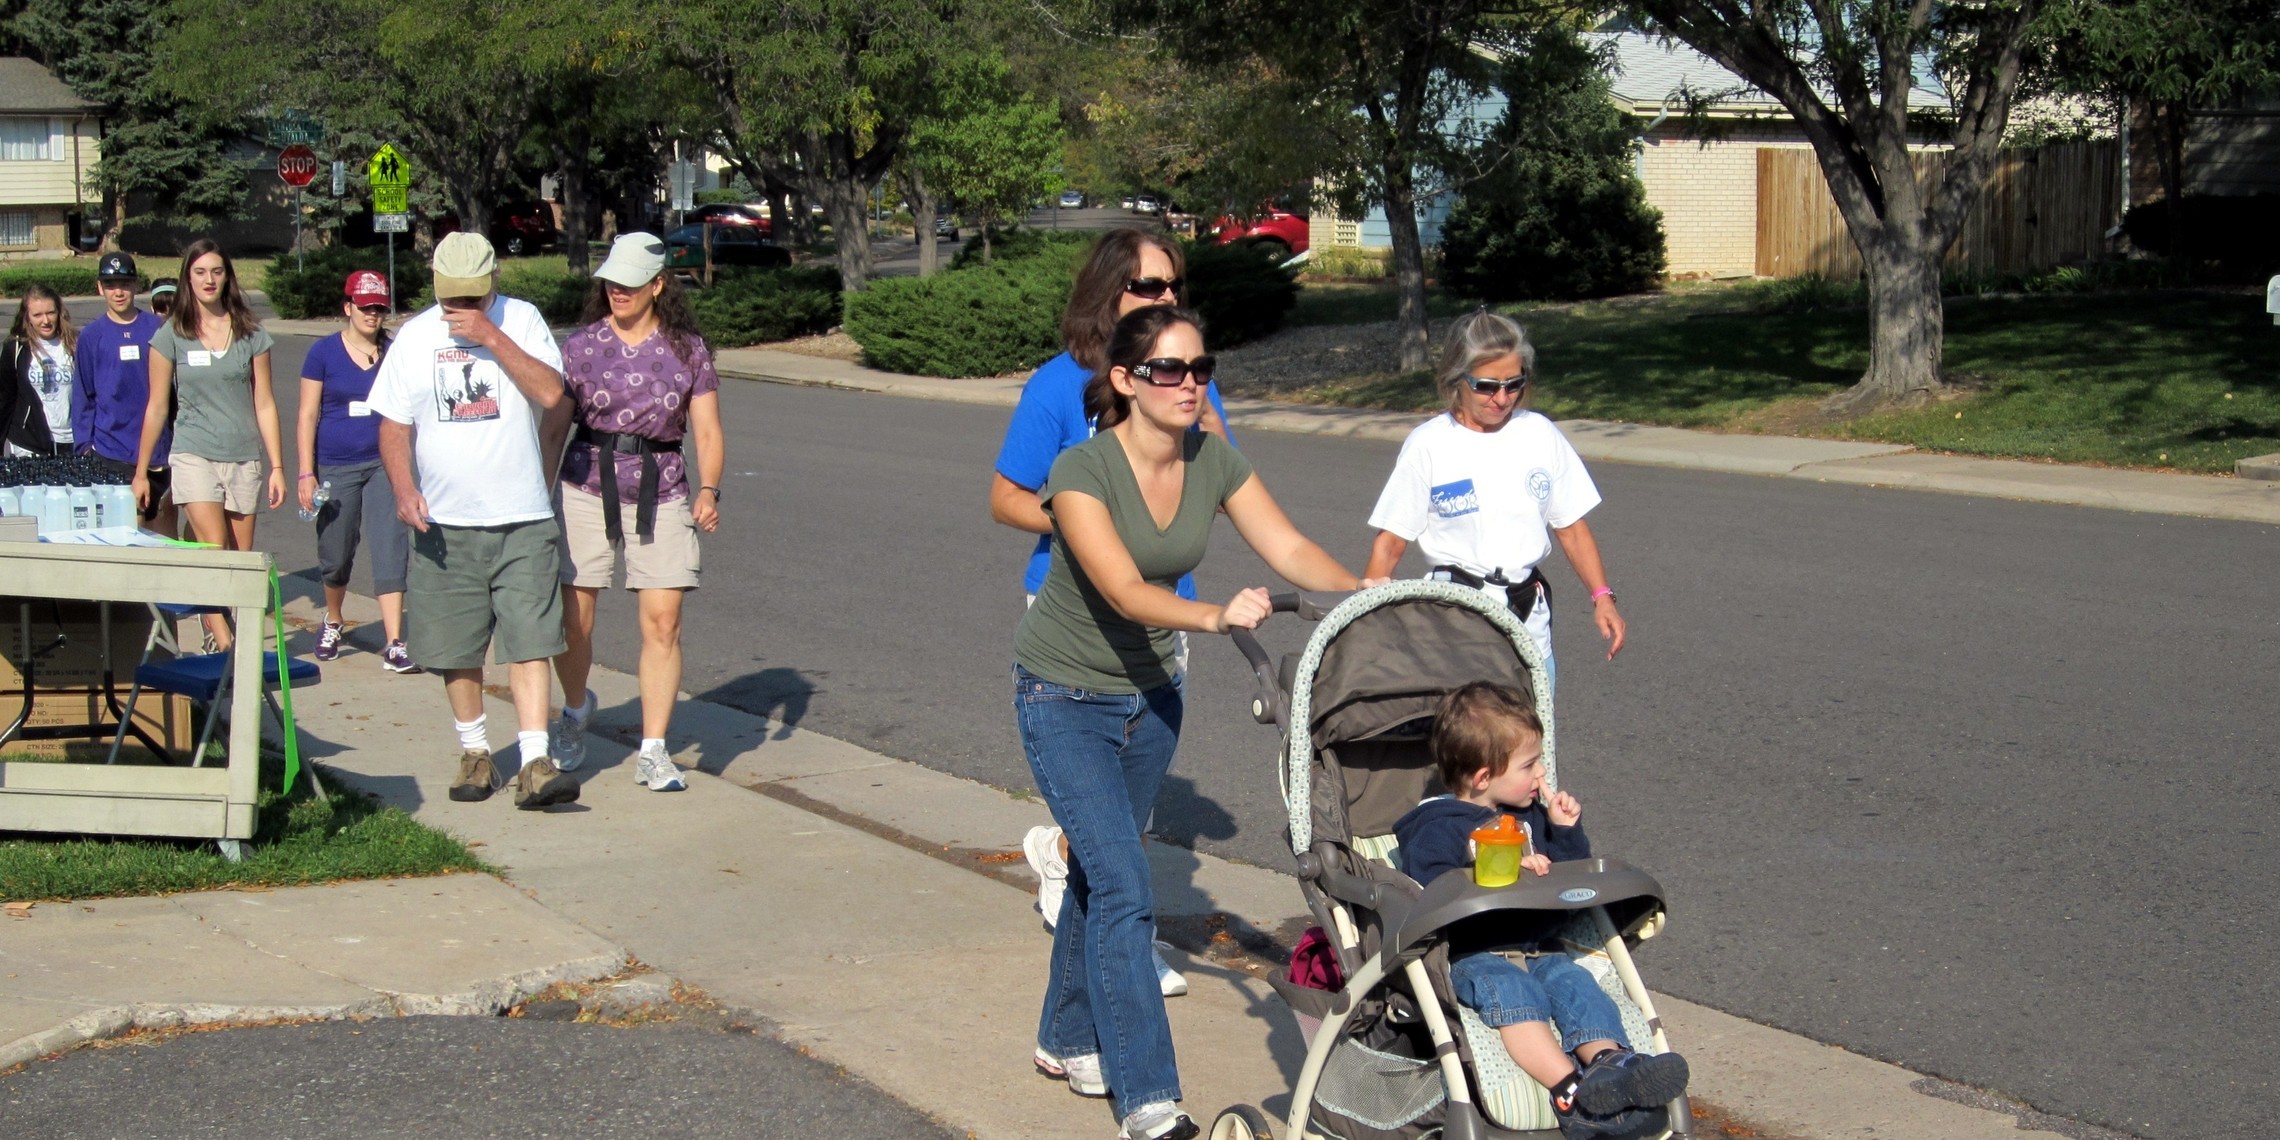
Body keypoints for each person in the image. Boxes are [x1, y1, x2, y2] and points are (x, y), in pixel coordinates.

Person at [1017, 306, 1370, 1140]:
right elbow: (1123, 591)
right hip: (1062, 698)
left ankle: (1065, 1035)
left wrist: (1375, 603)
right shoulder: (1081, 471)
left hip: (1152, 699)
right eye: (1169, 370)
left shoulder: (1214, 460)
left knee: (1105, 876)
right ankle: (1149, 1101)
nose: (1189, 385)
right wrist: (1216, 617)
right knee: (1126, 886)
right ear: (1128, 381)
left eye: (1200, 369)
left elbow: (1289, 548)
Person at [996, 228, 1234, 997]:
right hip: (1076, 615)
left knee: (1128, 806)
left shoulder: (1186, 381)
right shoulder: (1058, 384)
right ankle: (1122, 940)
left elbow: (1222, 476)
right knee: (1107, 816)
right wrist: (1090, 520)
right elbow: (1005, 497)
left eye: (1174, 288)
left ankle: (1070, 873)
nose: (1165, 300)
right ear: (1109, 294)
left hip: (1169, 608)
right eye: (1147, 288)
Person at [1392, 682, 1690, 1140]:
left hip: (1539, 947)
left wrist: (1564, 831)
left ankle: (1613, 1065)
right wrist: (1486, 865)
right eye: (1529, 765)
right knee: (1515, 995)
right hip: (1475, 954)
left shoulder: (1528, 815)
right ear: (1483, 776)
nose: (1541, 773)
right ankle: (1570, 1090)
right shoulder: (1436, 827)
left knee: (1578, 986)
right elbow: (1429, 884)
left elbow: (1568, 874)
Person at [368, 231, 577, 810]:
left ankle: (535, 759)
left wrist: (492, 336)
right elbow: (392, 423)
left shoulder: (522, 319)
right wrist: (404, 486)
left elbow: (552, 392)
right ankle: (476, 752)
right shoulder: (414, 337)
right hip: (444, 521)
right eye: (451, 298)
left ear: (494, 285)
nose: (460, 309)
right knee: (456, 646)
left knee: (530, 639)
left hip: (522, 514)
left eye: (473, 298)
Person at [1364, 310, 1626, 698]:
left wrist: (1602, 597)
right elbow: (1391, 543)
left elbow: (1571, 527)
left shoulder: (1539, 434)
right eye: (1487, 386)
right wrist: (1364, 622)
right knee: (1465, 751)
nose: (1502, 398)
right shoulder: (1429, 444)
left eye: (1514, 384)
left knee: (1531, 750)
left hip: (1527, 624)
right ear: (1458, 379)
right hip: (1456, 625)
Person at [548, 233, 724, 792]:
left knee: (663, 623)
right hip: (584, 483)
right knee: (575, 618)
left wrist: (710, 489)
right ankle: (576, 710)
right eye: (610, 281)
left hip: (663, 486)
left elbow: (708, 430)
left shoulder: (688, 349)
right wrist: (536, 488)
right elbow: (554, 426)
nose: (616, 290)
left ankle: (654, 748)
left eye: (629, 282)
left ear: (657, 284)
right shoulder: (579, 346)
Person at [135, 241, 284, 651]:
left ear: (227, 277)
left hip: (243, 458)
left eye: (216, 272)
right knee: (214, 551)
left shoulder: (251, 333)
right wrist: (141, 471)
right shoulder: (171, 335)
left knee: (237, 563)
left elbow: (266, 402)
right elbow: (156, 406)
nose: (209, 280)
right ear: (188, 278)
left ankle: (214, 632)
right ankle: (231, 651)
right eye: (200, 272)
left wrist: (278, 467)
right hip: (193, 453)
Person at [296, 270, 417, 673]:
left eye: (379, 307)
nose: (372, 314)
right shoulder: (323, 353)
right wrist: (304, 472)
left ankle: (394, 641)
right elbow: (307, 414)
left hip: (384, 464)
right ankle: (333, 618)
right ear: (347, 307)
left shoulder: (395, 351)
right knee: (336, 551)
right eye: (365, 307)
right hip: (336, 464)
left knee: (390, 547)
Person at [72, 253, 174, 533]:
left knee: (163, 534)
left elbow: (172, 391)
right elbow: (83, 394)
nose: (118, 291)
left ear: (136, 285)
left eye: (125, 284)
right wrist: (84, 446)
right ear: (99, 288)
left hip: (158, 450)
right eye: (111, 284)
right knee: (129, 533)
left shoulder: (156, 328)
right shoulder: (92, 335)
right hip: (112, 450)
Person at [0, 283, 79, 457]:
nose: (45, 320)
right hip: (29, 444)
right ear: (27, 317)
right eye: (37, 315)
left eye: (51, 313)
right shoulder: (15, 348)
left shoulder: (75, 344)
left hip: (70, 440)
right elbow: (5, 399)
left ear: (59, 312)